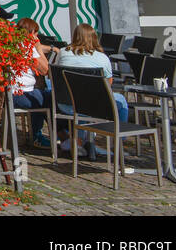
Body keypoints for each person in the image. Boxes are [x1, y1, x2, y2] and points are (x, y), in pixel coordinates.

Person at [55, 22, 128, 159]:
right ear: (94, 38)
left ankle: (74, 140)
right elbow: (108, 84)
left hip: (66, 104)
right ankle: (118, 143)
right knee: (122, 101)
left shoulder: (63, 53)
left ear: (75, 36)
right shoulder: (102, 58)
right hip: (96, 106)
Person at [11, 17, 52, 148]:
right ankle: (39, 136)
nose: (37, 36)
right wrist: (38, 47)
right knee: (48, 98)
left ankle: (43, 134)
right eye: (36, 33)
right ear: (31, 33)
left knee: (42, 95)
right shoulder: (27, 46)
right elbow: (46, 70)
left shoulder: (12, 43)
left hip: (9, 93)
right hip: (20, 94)